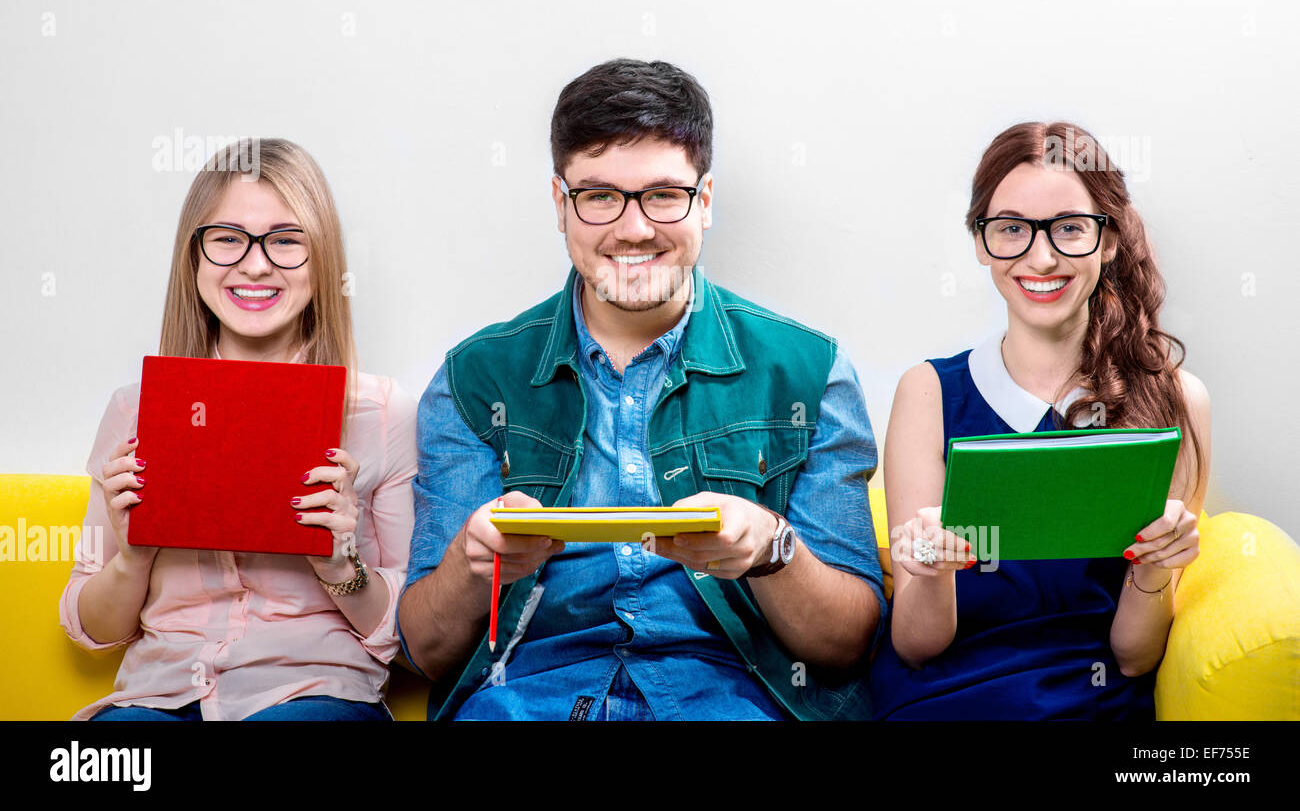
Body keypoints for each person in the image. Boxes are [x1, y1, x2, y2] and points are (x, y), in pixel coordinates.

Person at [398, 59, 885, 720]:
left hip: (730, 698)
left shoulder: (809, 371)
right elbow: (426, 651)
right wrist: (470, 564)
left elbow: (847, 646)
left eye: (662, 194)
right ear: (559, 202)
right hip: (529, 698)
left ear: (704, 201)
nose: (633, 228)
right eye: (599, 195)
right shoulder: (475, 380)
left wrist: (773, 547)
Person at [60, 139, 417, 721]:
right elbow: (89, 628)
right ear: (193, 258)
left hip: (313, 697)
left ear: (321, 259)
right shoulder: (136, 411)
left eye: (285, 240)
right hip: (160, 698)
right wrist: (132, 557)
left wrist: (339, 564)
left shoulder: (382, 412)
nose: (255, 264)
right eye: (227, 238)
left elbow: (411, 637)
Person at [870, 121, 1211, 719]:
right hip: (946, 697)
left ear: (1109, 239)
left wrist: (1157, 567)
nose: (1042, 256)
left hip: (1093, 698)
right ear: (980, 241)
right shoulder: (928, 392)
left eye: (1070, 228)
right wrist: (927, 571)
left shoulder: (1174, 400)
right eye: (1011, 230)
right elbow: (917, 646)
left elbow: (1133, 657)